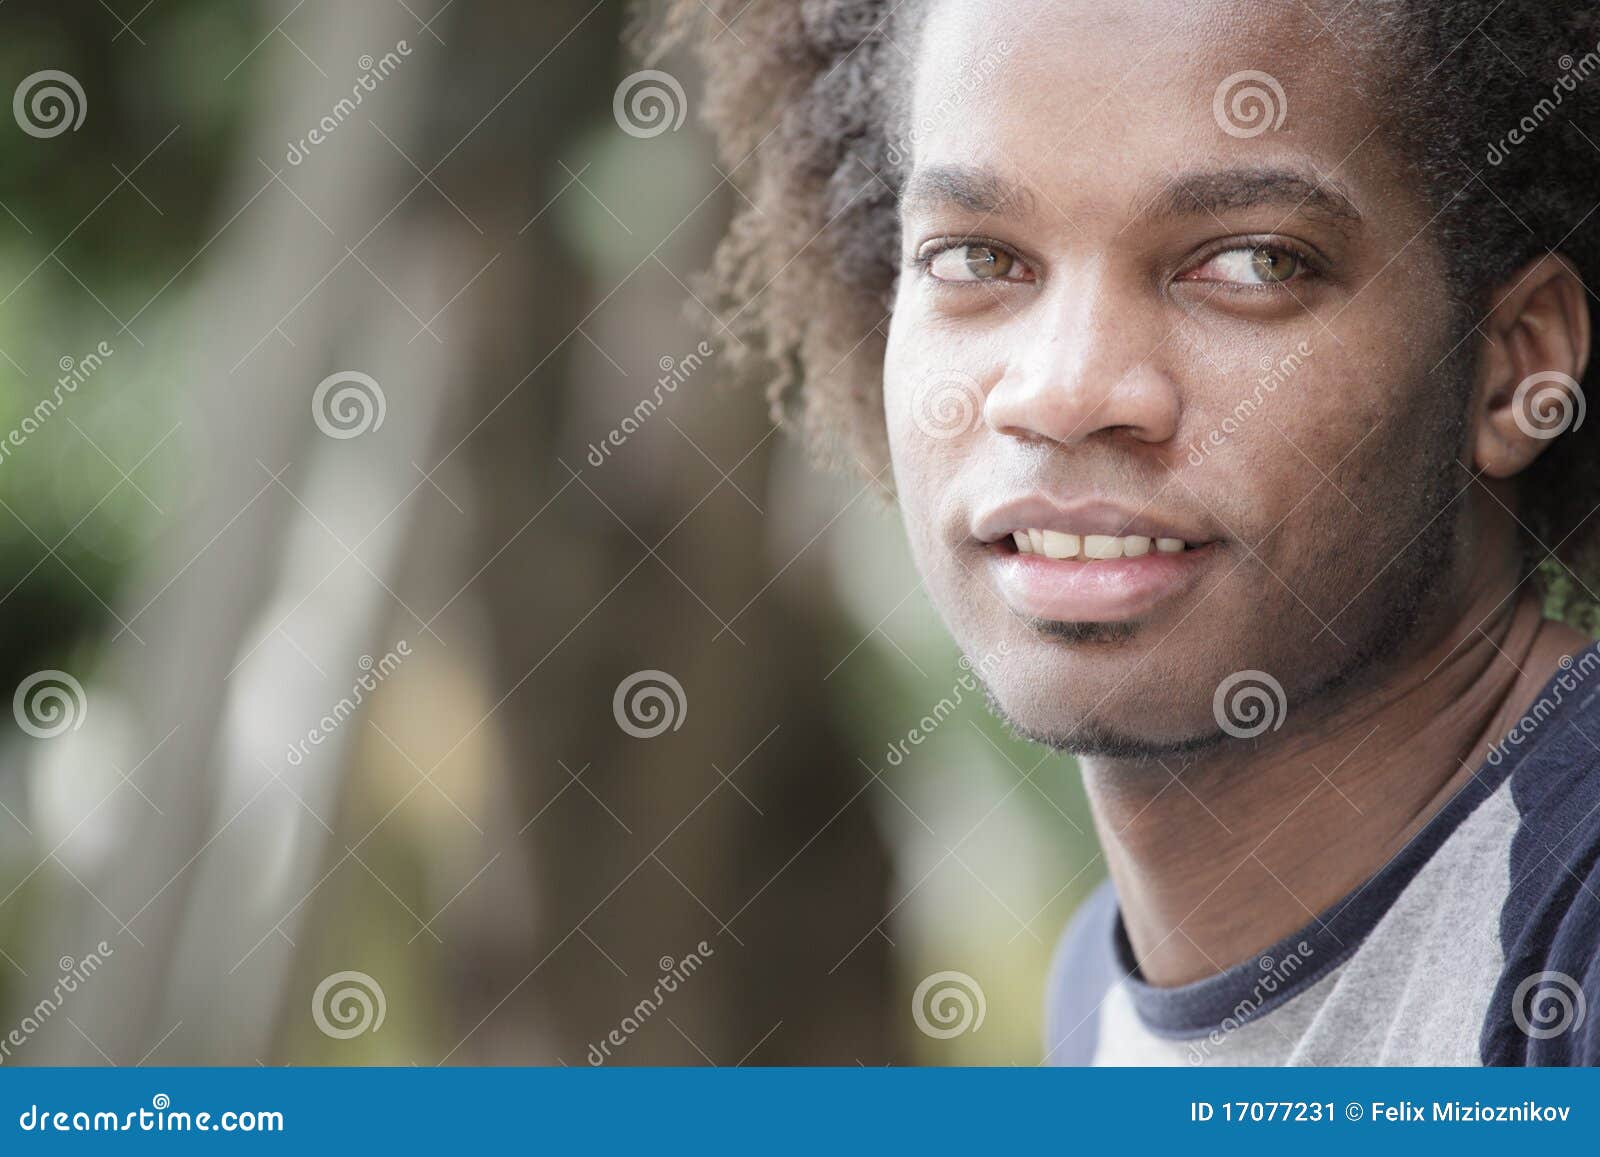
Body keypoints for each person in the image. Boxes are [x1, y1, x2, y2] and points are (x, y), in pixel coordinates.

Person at [670, 0, 1600, 1064]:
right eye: (975, 258)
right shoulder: (1097, 993)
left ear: (1515, 366)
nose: (1063, 392)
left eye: (1252, 264)